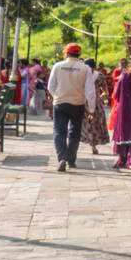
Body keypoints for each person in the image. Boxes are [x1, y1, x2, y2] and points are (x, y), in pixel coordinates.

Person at [47, 43, 96, 172]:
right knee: (74, 133)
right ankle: (71, 160)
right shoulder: (85, 68)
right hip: (78, 104)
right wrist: (91, 109)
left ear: (66, 53)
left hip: (60, 103)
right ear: (79, 54)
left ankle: (62, 158)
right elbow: (90, 92)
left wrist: (57, 97)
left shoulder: (58, 66)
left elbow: (50, 87)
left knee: (59, 132)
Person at [81, 59, 111, 154]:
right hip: (96, 103)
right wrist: (101, 97)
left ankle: (84, 142)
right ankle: (93, 146)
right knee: (95, 124)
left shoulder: (82, 75)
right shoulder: (100, 76)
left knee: (85, 124)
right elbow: (106, 92)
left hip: (83, 102)